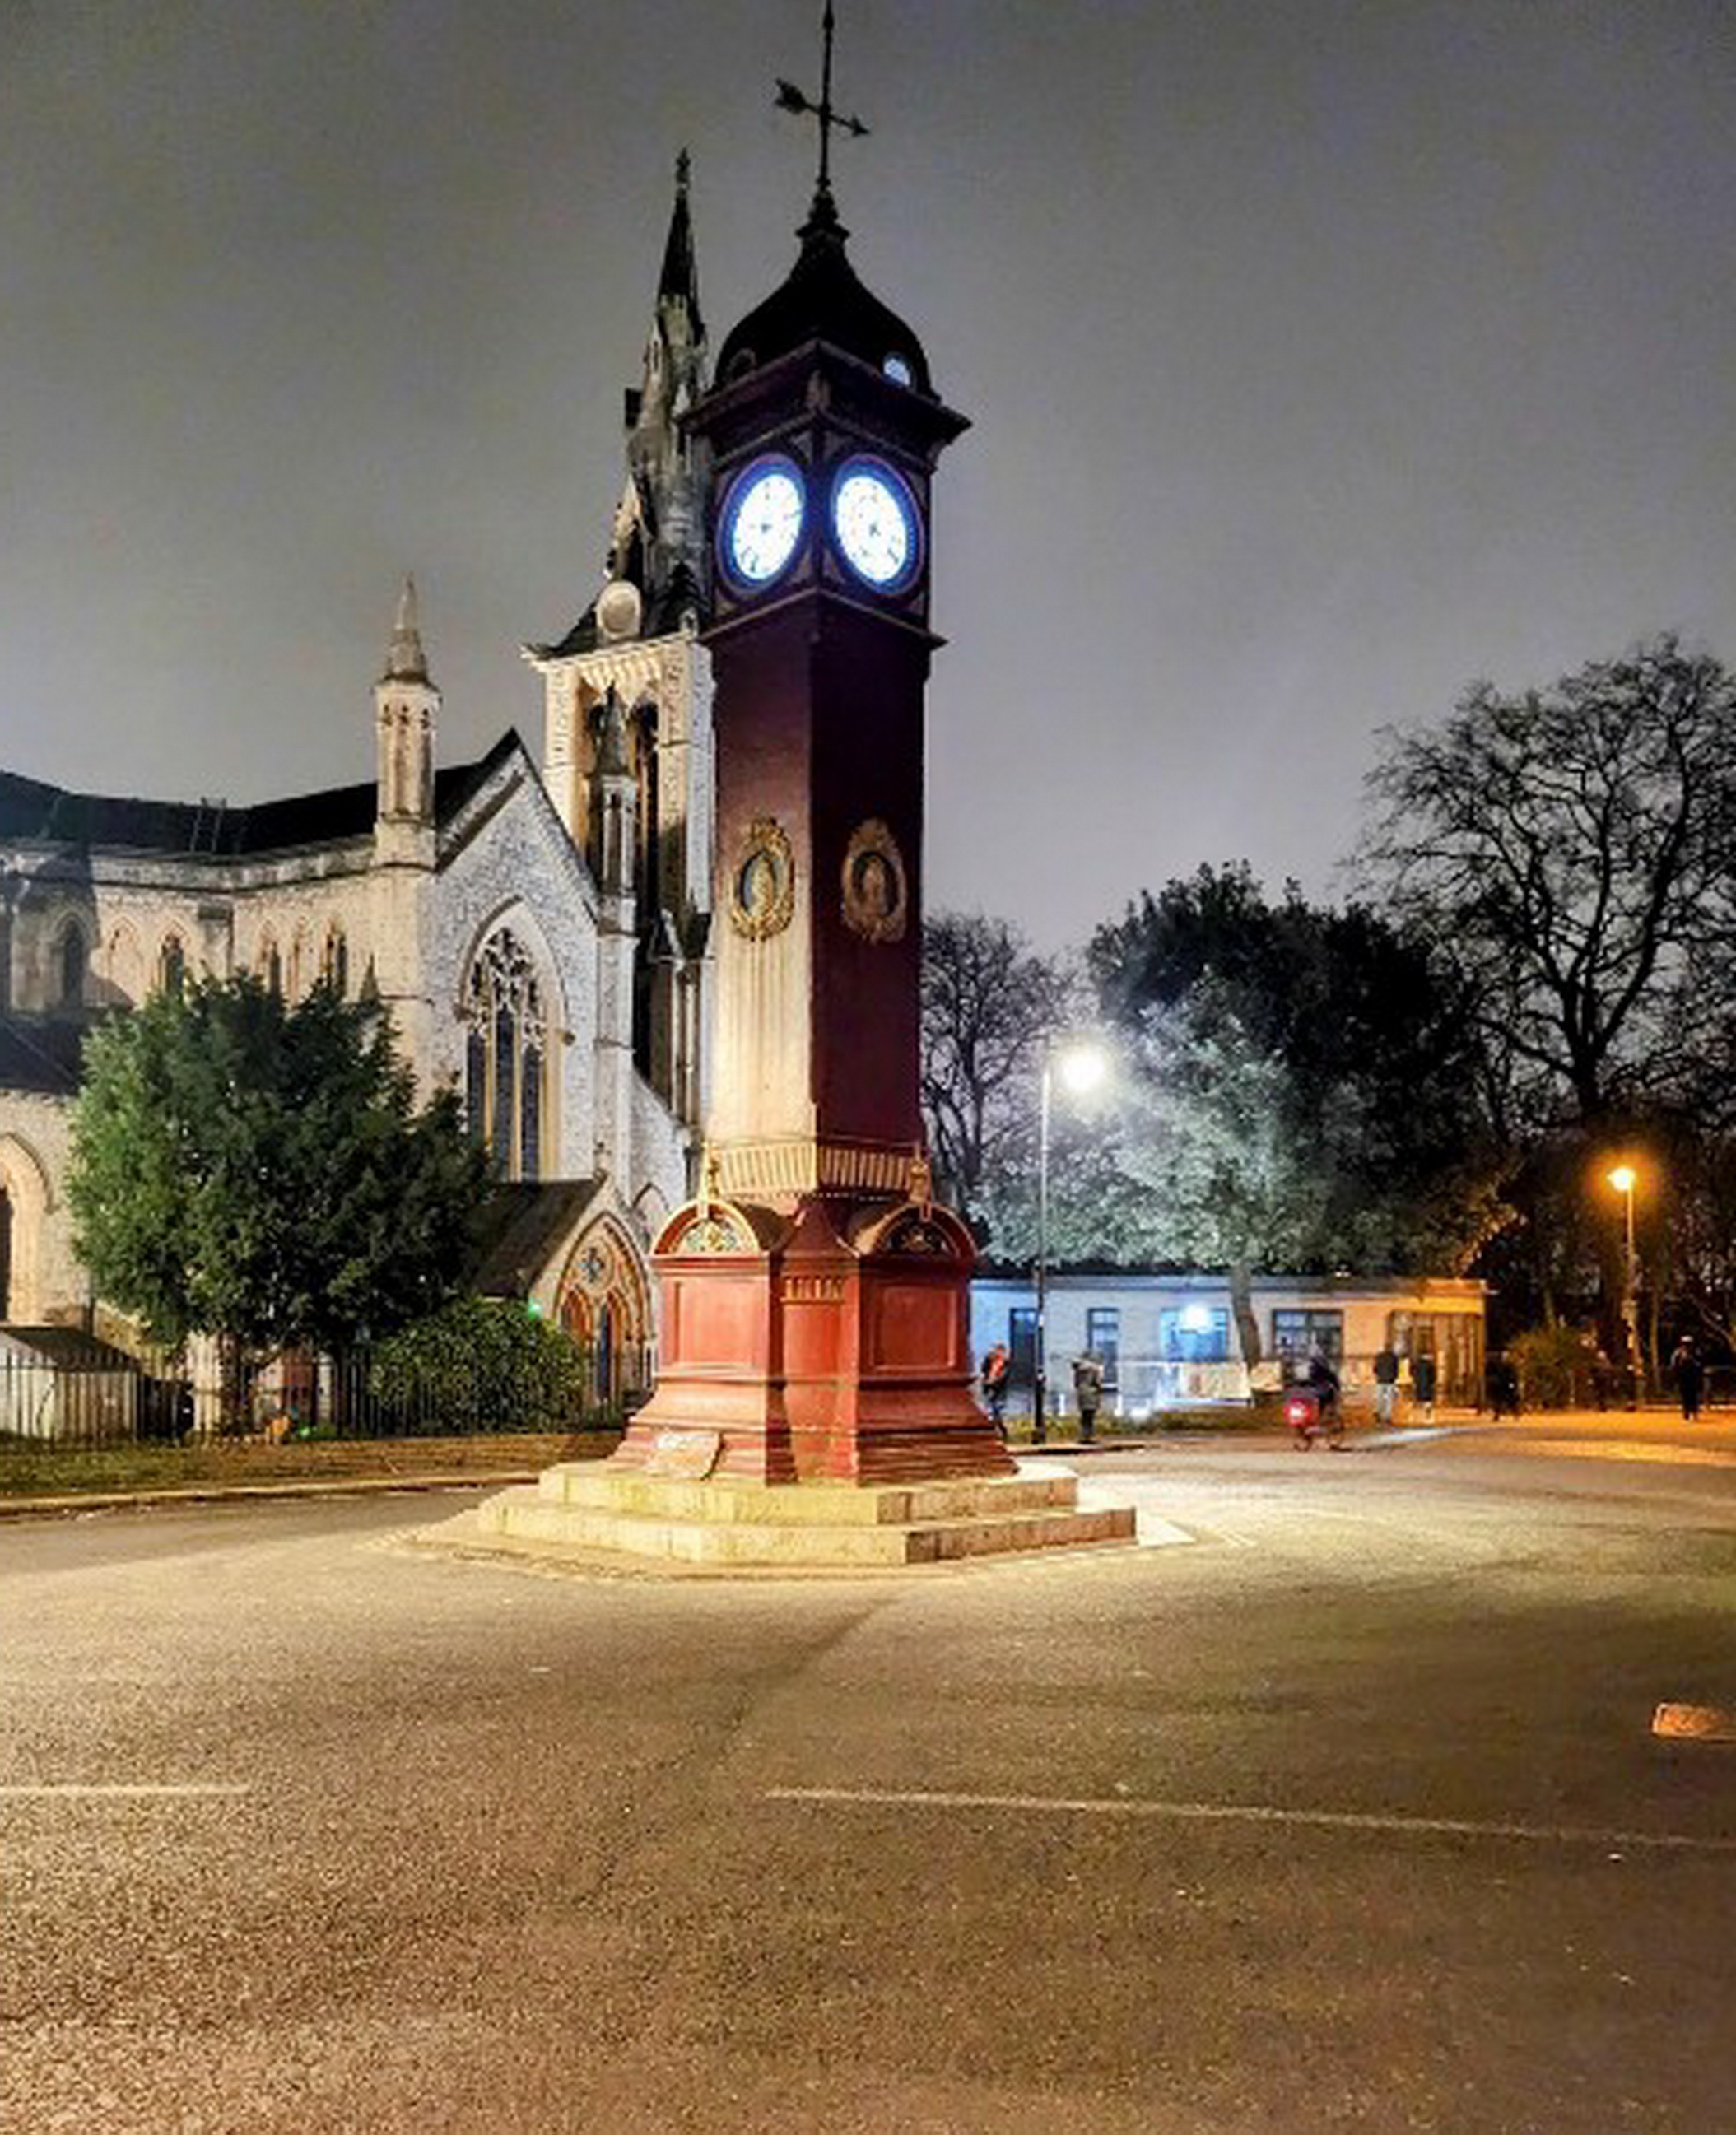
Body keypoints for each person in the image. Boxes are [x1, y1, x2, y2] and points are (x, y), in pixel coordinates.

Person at [1073, 1351, 1104, 1444]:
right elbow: (1097, 1382)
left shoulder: (1079, 1369)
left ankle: (1083, 1435)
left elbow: (1076, 1383)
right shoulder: (1095, 1369)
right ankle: (1090, 1436)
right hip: (1091, 1393)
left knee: (1084, 1416)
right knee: (1091, 1417)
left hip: (1081, 1393)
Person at [1672, 1336, 1706, 1421]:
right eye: (1685, 1344)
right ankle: (1686, 1411)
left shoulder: (1696, 1353)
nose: (1686, 1346)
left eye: (1688, 1344)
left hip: (1693, 1378)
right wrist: (1676, 1377)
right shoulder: (1678, 1353)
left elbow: (1701, 1364)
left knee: (1694, 1396)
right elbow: (1674, 1365)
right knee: (1685, 1396)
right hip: (1683, 1378)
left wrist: (1695, 1364)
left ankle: (1694, 1412)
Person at [980, 1342, 1011, 1438]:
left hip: (999, 1389)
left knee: (998, 1411)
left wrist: (993, 1382)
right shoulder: (990, 1361)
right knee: (990, 1410)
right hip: (989, 1388)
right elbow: (983, 1369)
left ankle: (1001, 1431)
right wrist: (988, 1359)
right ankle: (993, 1431)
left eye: (999, 1350)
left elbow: (1004, 1377)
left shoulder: (1005, 1363)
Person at [1371, 1343, 1400, 1426]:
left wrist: (1378, 1375)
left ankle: (1378, 1413)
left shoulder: (1379, 1357)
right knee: (1389, 1400)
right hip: (1390, 1381)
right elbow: (1396, 1369)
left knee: (1380, 1398)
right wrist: (1394, 1377)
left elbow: (1375, 1369)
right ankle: (1387, 1417)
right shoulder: (1394, 1357)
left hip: (1380, 1380)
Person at [1409, 1350, 1437, 1425]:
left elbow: (1412, 1373)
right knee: (1428, 1400)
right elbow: (1433, 1376)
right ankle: (1427, 1414)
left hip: (1418, 1384)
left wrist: (1415, 1380)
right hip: (1428, 1385)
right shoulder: (1430, 1365)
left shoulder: (1416, 1364)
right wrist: (1433, 1382)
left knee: (1418, 1399)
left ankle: (1416, 1416)